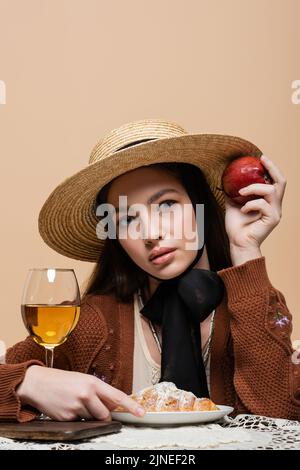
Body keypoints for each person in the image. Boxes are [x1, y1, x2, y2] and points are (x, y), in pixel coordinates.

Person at [0, 119, 299, 423]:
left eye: (167, 205)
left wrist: (246, 249)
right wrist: (28, 381)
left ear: (201, 207)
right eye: (127, 219)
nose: (151, 233)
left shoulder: (253, 304)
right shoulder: (91, 321)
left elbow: (279, 419)